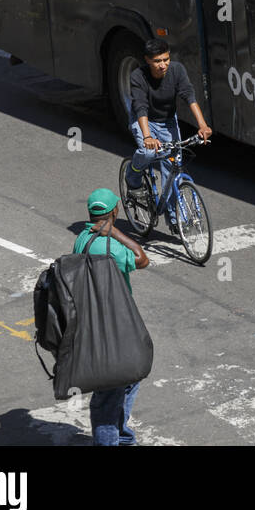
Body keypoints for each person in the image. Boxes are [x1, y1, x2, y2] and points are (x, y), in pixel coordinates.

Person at [75, 188, 149, 446]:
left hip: (93, 323)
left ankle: (124, 437)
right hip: (114, 327)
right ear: (114, 212)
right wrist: (116, 233)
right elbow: (142, 259)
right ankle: (112, 439)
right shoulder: (109, 245)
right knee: (111, 392)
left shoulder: (83, 238)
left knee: (128, 379)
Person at [123, 38, 212, 216]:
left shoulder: (177, 70)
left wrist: (202, 125)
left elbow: (189, 96)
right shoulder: (138, 76)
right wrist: (147, 137)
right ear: (147, 60)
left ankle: (173, 217)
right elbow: (140, 107)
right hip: (144, 120)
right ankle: (132, 178)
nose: (163, 65)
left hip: (168, 120)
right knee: (149, 153)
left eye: (166, 60)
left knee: (172, 167)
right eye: (157, 61)